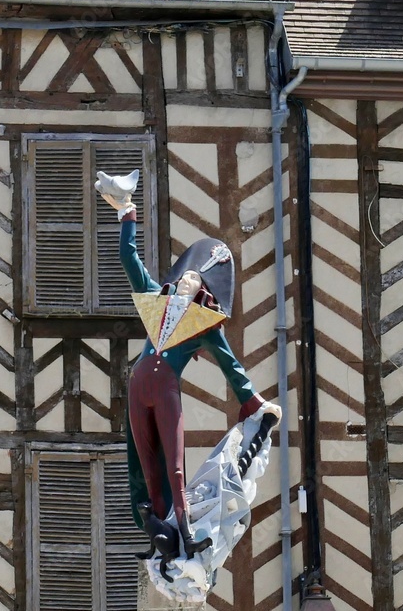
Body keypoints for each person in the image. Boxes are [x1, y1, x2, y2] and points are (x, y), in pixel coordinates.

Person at [98, 180, 267, 557]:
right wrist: (127, 215)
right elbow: (129, 259)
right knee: (143, 461)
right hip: (140, 382)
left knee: (175, 465)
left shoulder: (202, 324)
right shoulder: (156, 298)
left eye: (196, 278)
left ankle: (186, 531)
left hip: (164, 387)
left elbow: (229, 363)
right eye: (186, 274)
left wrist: (254, 402)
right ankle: (155, 532)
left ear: (203, 289)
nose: (188, 277)